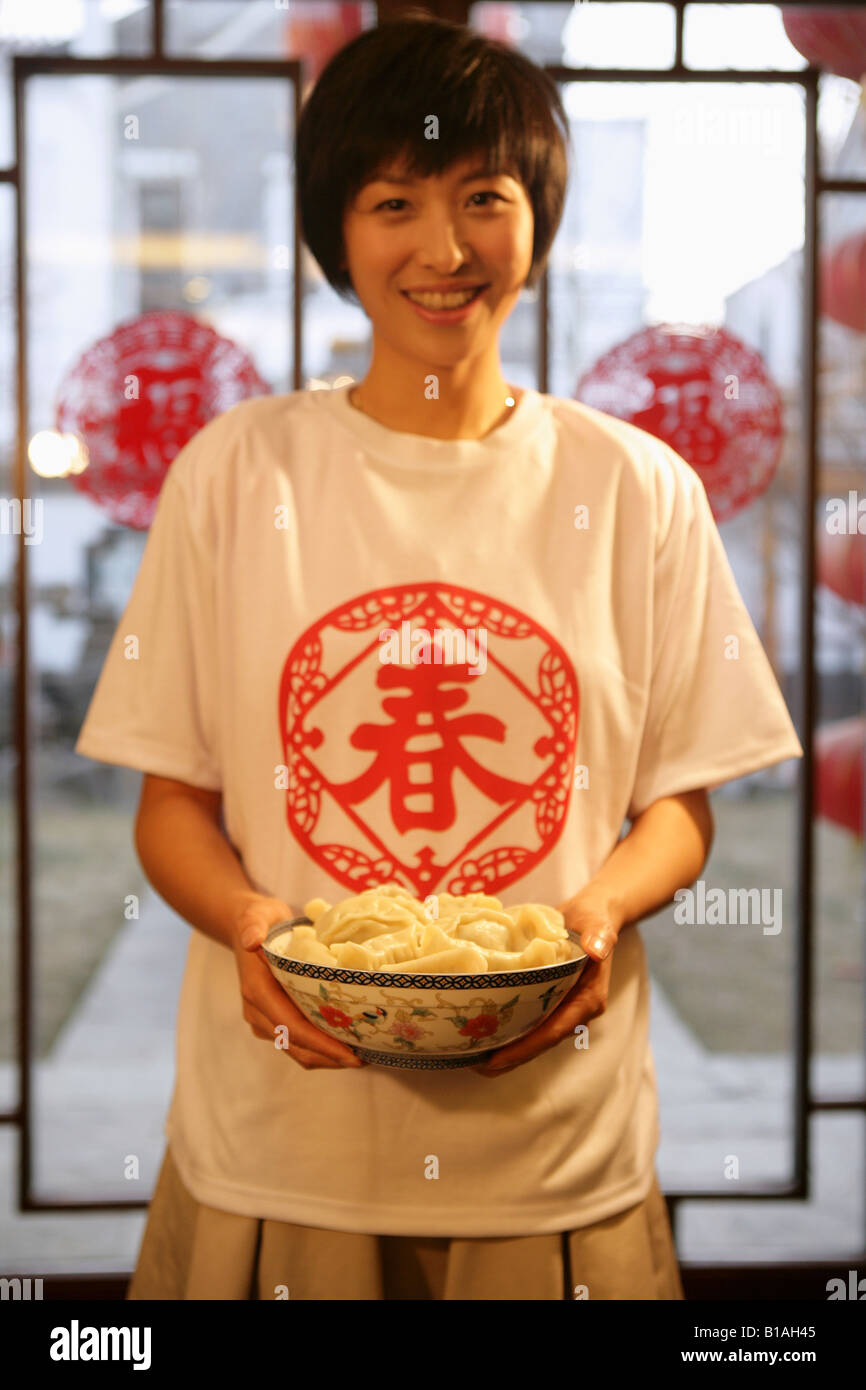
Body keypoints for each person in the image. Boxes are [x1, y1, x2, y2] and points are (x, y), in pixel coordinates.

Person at [74, 14, 803, 1301]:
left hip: (553, 1146)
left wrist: (595, 912)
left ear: (538, 219)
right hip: (279, 1147)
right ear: (332, 232)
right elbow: (172, 799)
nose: (442, 247)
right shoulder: (238, 474)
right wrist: (255, 926)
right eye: (390, 201)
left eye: (484, 196)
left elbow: (677, 808)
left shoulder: (634, 486)